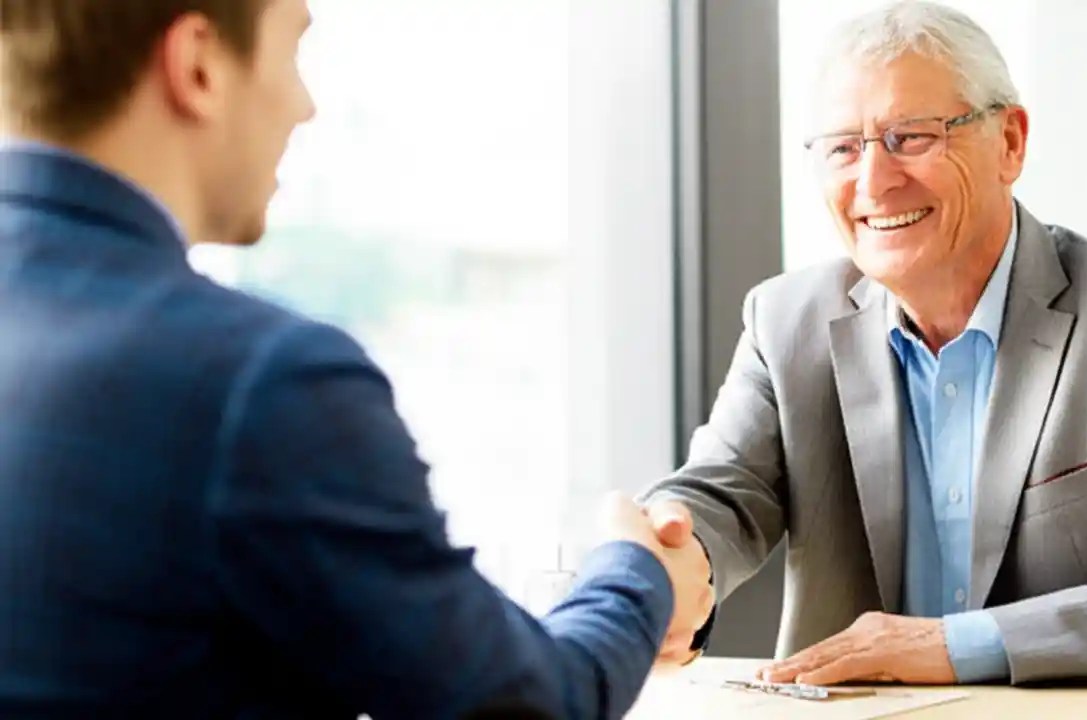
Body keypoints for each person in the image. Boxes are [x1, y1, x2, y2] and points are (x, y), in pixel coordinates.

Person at [0, 1, 709, 717]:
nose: (305, 108)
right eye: (293, 52)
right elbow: (529, 706)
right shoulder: (259, 383)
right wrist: (637, 573)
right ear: (199, 66)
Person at [642, 0, 1087, 686]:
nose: (874, 181)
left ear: (1010, 142)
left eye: (911, 137)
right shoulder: (784, 321)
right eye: (842, 148)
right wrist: (669, 563)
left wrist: (963, 644)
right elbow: (720, 496)